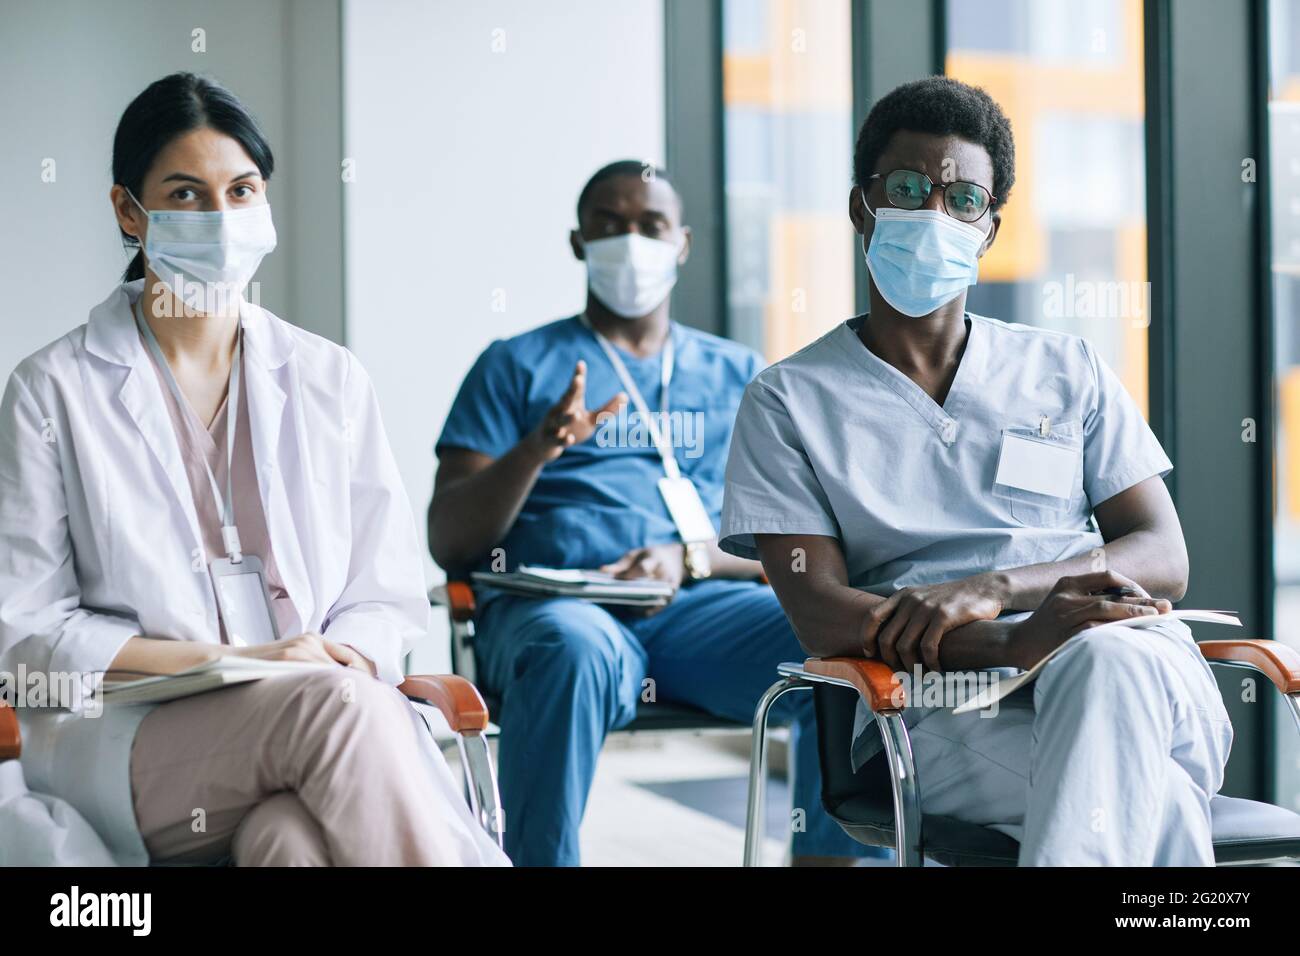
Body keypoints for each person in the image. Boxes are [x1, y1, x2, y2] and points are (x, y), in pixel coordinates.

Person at [720, 76, 1234, 866]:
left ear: (988, 230)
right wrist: (1013, 640)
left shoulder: (1067, 368)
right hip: (938, 710)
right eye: (908, 189)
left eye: (962, 199)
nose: (934, 213)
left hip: (1142, 678)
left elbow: (1163, 555)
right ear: (863, 207)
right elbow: (820, 613)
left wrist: (998, 589)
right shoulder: (789, 400)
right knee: (1149, 804)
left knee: (1105, 659)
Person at [0, 73, 508, 867]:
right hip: (134, 739)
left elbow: (383, 592)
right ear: (129, 213)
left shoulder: (327, 376)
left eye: (241, 190)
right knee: (335, 711)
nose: (221, 219)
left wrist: (329, 658)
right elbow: (27, 630)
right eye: (186, 194)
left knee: (288, 844)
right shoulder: (53, 388)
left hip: (305, 730)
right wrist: (236, 663)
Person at [430, 160, 880, 866]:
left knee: (848, 651)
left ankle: (833, 859)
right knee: (570, 652)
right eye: (609, 224)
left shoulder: (738, 374)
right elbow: (449, 539)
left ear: (683, 244)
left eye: (650, 225)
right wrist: (538, 449)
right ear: (578, 242)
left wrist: (690, 557)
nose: (629, 240)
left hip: (697, 610)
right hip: (563, 612)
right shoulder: (515, 365)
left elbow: (797, 543)